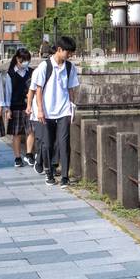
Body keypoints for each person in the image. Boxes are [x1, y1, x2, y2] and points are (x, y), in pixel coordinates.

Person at [30, 35, 80, 186]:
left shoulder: (70, 67)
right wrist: (40, 110)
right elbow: (38, 90)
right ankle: (49, 173)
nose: (70, 55)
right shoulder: (45, 66)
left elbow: (71, 89)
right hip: (47, 110)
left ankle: (64, 176)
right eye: (68, 52)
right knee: (47, 144)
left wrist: (72, 107)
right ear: (59, 49)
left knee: (64, 143)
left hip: (64, 109)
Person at [1, 48, 37, 168]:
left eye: (27, 60)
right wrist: (7, 109)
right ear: (17, 59)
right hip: (15, 106)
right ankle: (17, 157)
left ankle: (29, 154)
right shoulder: (10, 74)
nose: (25, 62)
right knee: (16, 133)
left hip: (29, 106)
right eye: (23, 60)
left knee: (31, 130)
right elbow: (7, 93)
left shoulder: (32, 72)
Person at [32, 41, 54, 175]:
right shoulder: (41, 68)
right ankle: (40, 160)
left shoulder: (63, 68)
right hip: (41, 109)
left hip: (55, 109)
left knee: (53, 139)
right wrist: (32, 107)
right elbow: (33, 90)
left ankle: (51, 163)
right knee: (42, 138)